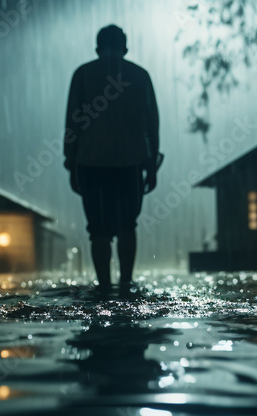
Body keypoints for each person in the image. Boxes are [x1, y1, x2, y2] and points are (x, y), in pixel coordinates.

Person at [64, 25, 161, 295]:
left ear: (97, 48)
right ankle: (126, 284)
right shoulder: (139, 76)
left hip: (91, 163)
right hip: (130, 163)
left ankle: (104, 287)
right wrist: (151, 165)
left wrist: (70, 162)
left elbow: (72, 123)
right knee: (127, 226)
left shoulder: (83, 74)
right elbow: (152, 125)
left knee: (98, 230)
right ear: (126, 48)